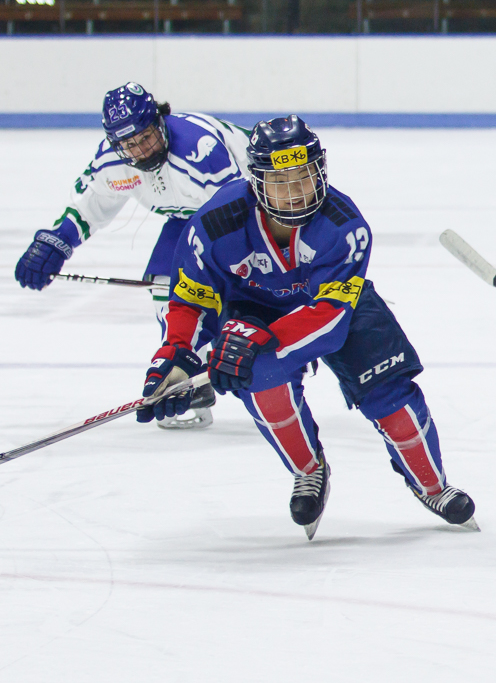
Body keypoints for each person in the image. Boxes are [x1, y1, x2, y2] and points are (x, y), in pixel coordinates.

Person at [139, 115, 477, 540]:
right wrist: (175, 359)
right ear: (256, 182)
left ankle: (433, 486)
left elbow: (331, 319)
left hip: (336, 309)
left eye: (305, 176)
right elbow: (191, 299)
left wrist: (263, 340)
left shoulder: (344, 224)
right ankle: (309, 471)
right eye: (282, 181)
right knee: (261, 382)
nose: (297, 192)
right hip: (253, 309)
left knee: (393, 398)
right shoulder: (214, 224)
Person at [15, 82, 249, 430]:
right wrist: (56, 241)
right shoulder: (113, 161)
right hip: (188, 214)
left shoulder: (200, 153)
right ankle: (188, 372)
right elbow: (92, 201)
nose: (140, 150)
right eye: (129, 144)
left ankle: (195, 363)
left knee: (228, 289)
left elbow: (238, 219)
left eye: (146, 137)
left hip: (249, 209)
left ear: (161, 120)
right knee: (164, 287)